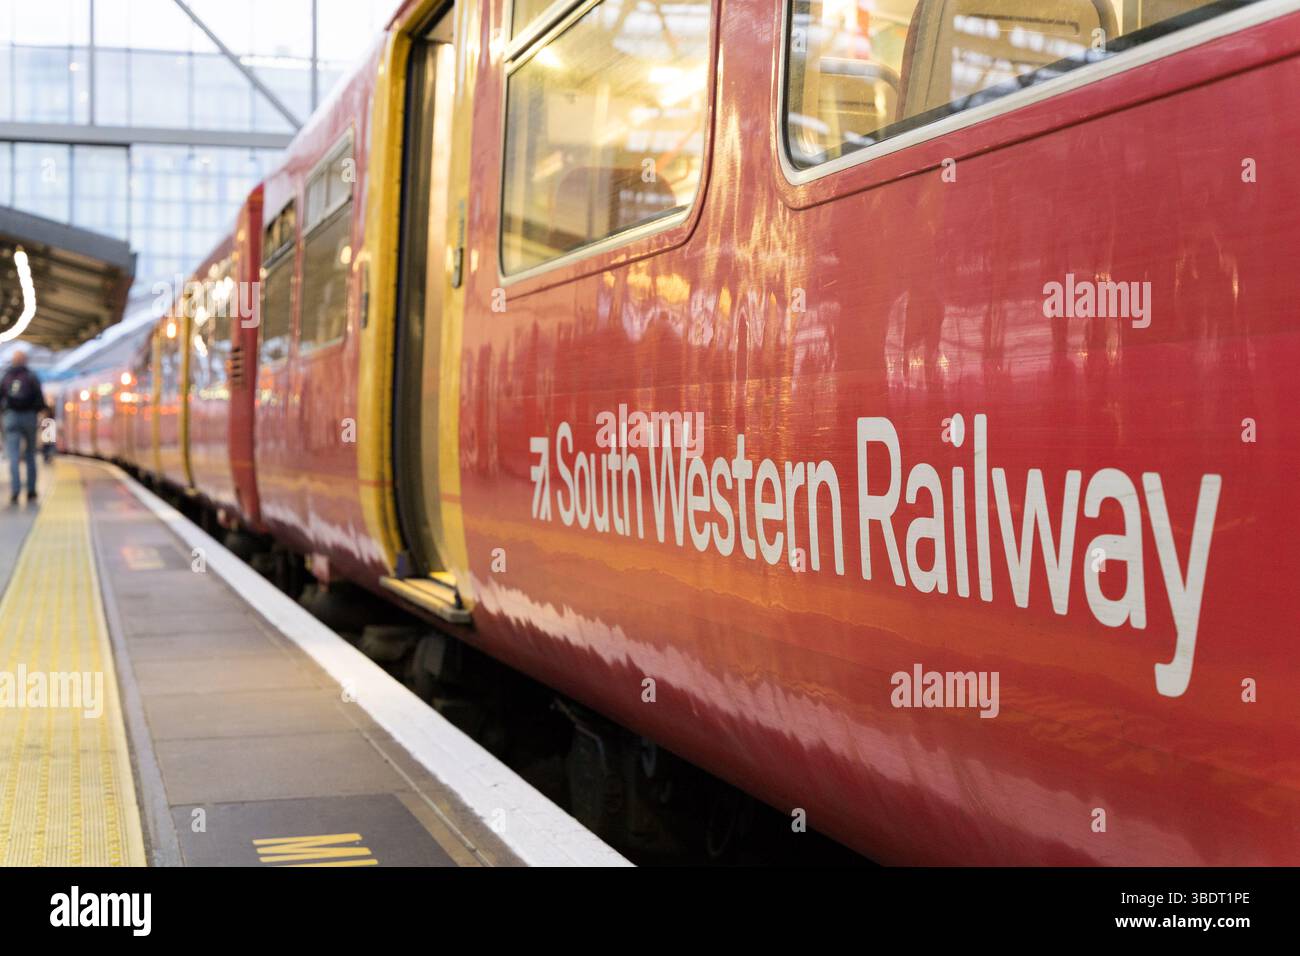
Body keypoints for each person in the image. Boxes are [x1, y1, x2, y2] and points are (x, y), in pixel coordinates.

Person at [1, 350, 46, 505]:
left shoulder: (5, 376)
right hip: (29, 417)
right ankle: (31, 490)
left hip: (11, 417)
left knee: (13, 456)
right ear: (25, 361)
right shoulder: (31, 376)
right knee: (30, 454)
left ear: (13, 361)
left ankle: (15, 490)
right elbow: (40, 400)